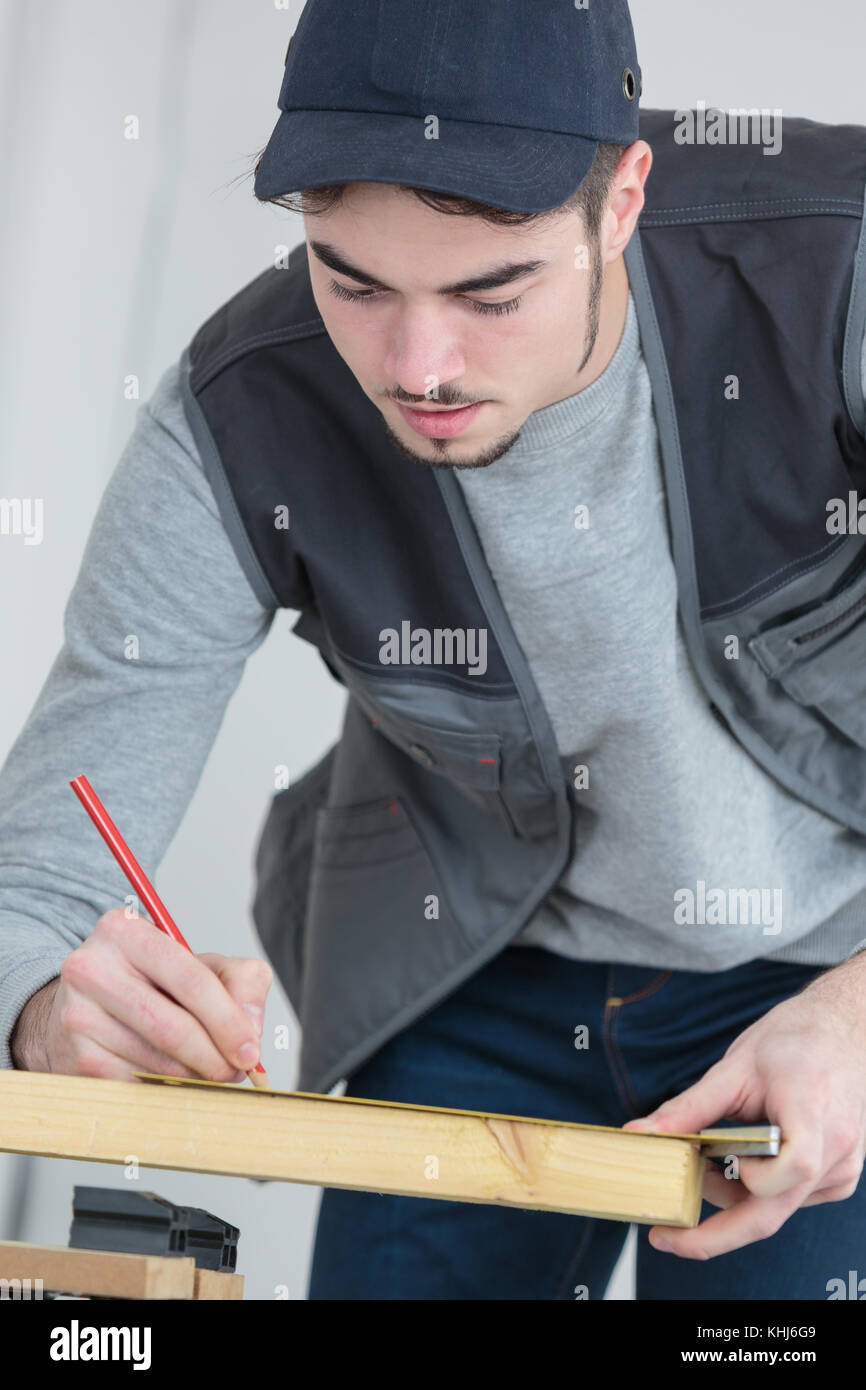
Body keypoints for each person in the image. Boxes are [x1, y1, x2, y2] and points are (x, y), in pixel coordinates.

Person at [3, 0, 866, 1300]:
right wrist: (46, 1011)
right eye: (350, 280)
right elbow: (36, 881)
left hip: (822, 970)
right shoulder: (238, 413)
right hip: (473, 975)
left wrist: (857, 1015)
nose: (417, 365)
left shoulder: (836, 278)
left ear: (621, 198)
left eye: (489, 290)